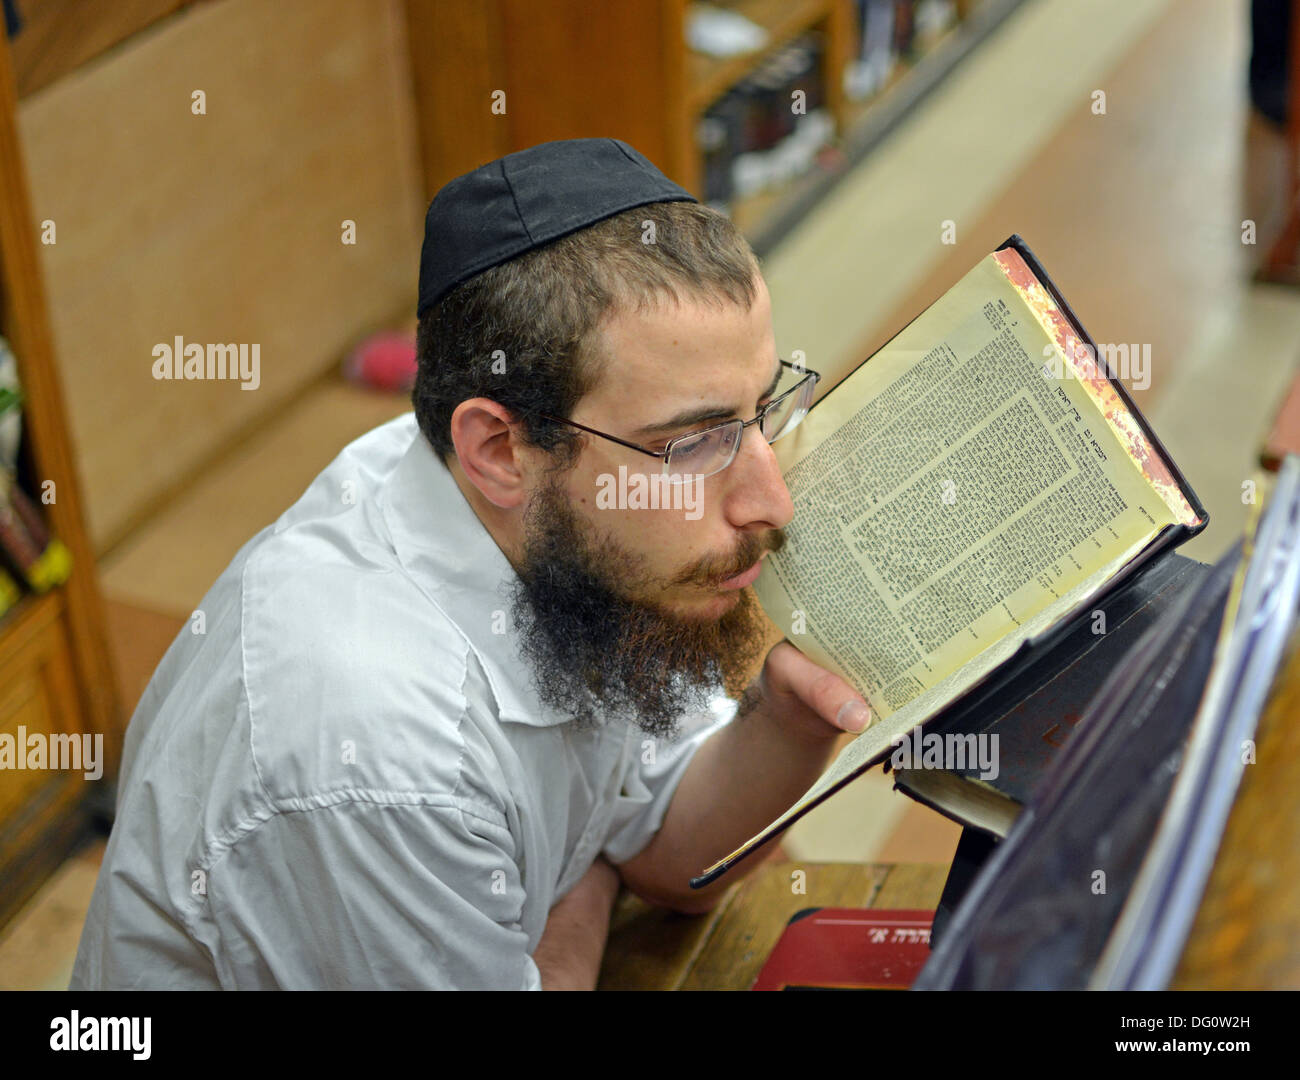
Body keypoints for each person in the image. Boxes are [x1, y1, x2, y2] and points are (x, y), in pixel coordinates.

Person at [70, 137, 872, 990]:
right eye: (692, 443)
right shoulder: (373, 753)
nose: (770, 501)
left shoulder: (569, 539)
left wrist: (791, 720)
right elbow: (616, 866)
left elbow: (667, 849)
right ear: (498, 449)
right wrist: (587, 883)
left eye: (763, 409)